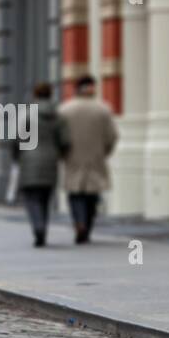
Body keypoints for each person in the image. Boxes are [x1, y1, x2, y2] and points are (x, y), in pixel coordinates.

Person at [57, 74, 119, 244]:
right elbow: (112, 136)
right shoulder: (103, 109)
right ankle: (87, 225)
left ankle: (79, 222)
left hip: (73, 158)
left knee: (75, 194)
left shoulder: (65, 110)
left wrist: (63, 154)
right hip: (95, 158)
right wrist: (104, 151)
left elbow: (59, 136)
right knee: (92, 196)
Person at [14, 83, 71, 248]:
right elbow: (65, 141)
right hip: (50, 160)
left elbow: (17, 139)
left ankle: (38, 227)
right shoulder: (58, 116)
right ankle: (43, 228)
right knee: (45, 198)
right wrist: (59, 154)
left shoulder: (26, 115)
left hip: (29, 159)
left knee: (32, 198)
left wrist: (17, 156)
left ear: (35, 95)